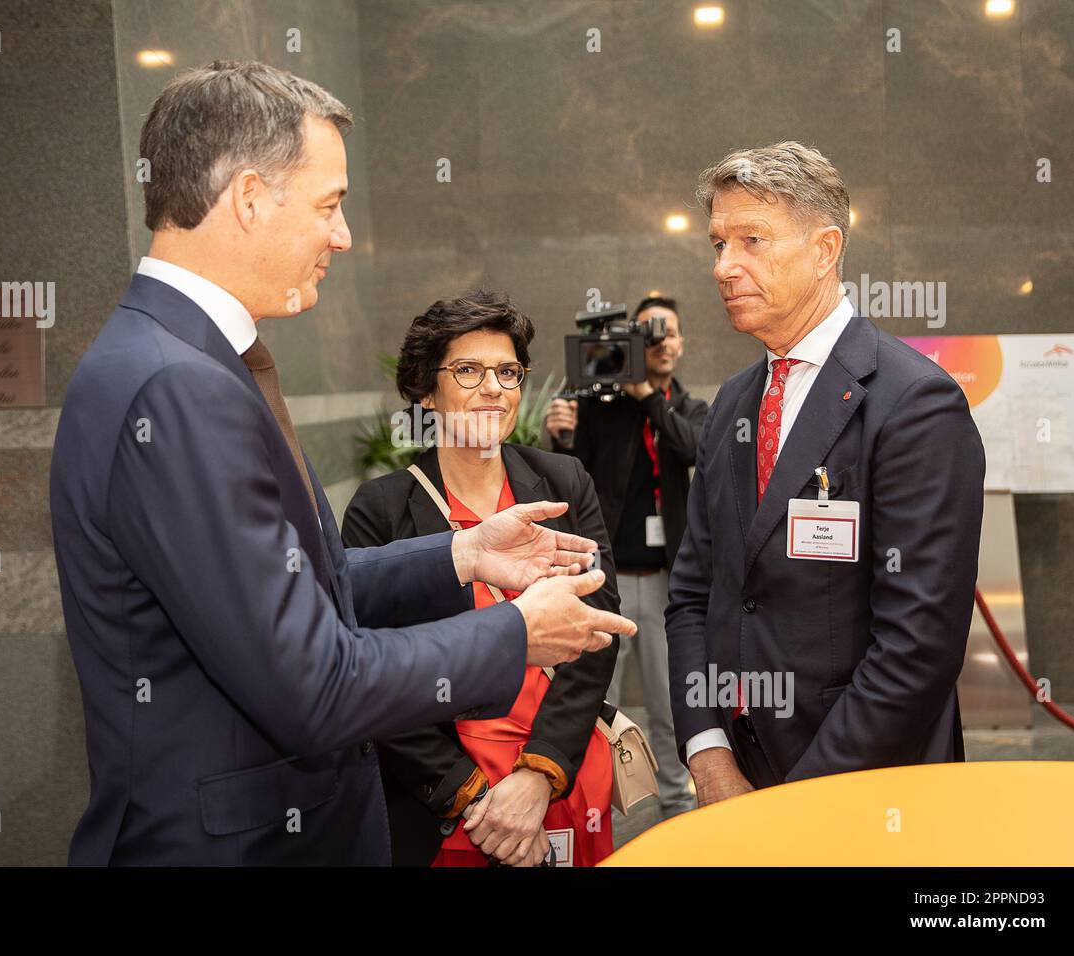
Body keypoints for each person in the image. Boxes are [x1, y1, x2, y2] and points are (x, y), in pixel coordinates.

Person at [49, 61, 634, 866]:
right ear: (250, 198)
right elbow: (312, 682)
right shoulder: (179, 386)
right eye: (330, 205)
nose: (344, 236)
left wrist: (462, 553)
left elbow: (279, 596)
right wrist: (514, 631)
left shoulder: (179, 358)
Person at [667, 142, 985, 805]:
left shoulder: (914, 402)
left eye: (752, 240)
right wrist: (709, 752)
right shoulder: (731, 403)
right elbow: (696, 594)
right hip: (737, 777)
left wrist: (801, 804)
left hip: (865, 790)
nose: (725, 266)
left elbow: (917, 649)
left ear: (824, 250)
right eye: (719, 244)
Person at [343, 291, 620, 867]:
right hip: (451, 801)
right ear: (426, 388)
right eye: (468, 370)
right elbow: (367, 663)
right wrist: (471, 795)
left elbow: (597, 634)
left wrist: (540, 774)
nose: (492, 388)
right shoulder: (381, 508)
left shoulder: (562, 480)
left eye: (507, 371)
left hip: (560, 769)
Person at [545, 295, 708, 820]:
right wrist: (562, 436)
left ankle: (679, 804)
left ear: (682, 345)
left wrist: (645, 394)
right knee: (598, 699)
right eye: (646, 334)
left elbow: (691, 449)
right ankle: (599, 808)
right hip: (606, 579)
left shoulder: (691, 408)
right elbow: (572, 478)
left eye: (669, 333)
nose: (660, 342)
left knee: (668, 704)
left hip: (668, 585)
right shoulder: (602, 411)